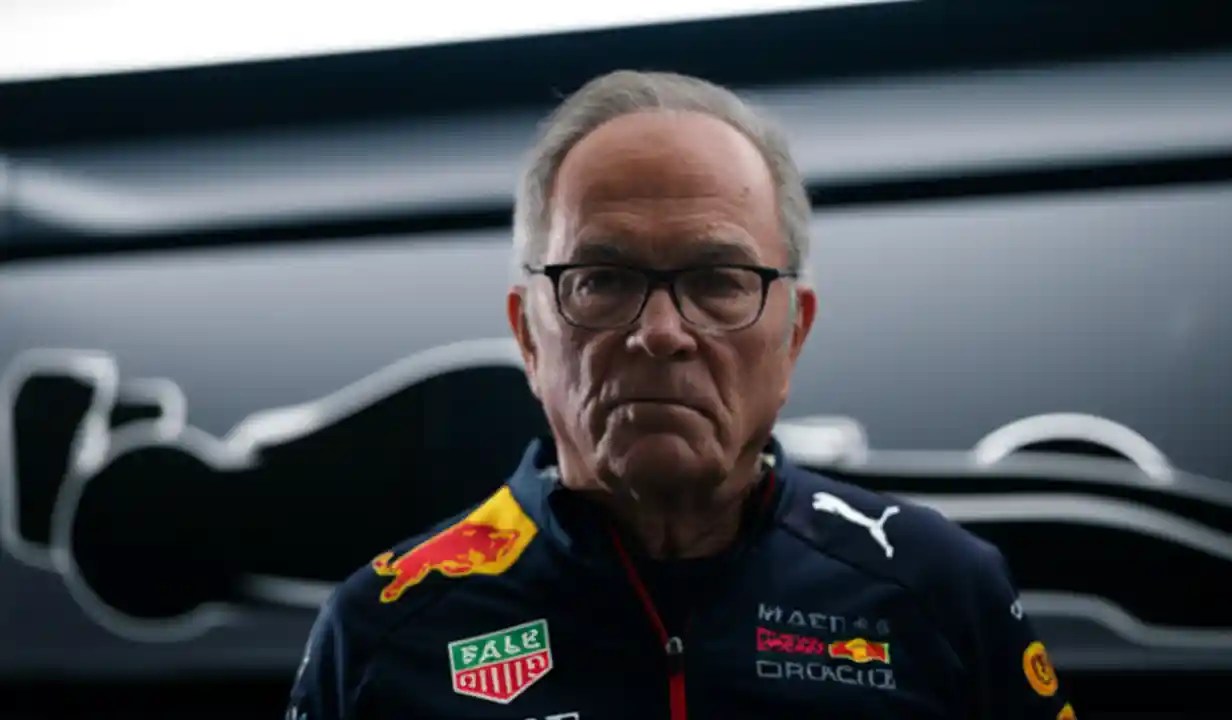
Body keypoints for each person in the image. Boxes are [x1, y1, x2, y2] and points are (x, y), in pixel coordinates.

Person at [286, 70, 1075, 720]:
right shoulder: (385, 628)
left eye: (718, 280)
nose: (660, 333)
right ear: (529, 336)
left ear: (793, 334)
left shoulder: (940, 591)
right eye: (601, 279)